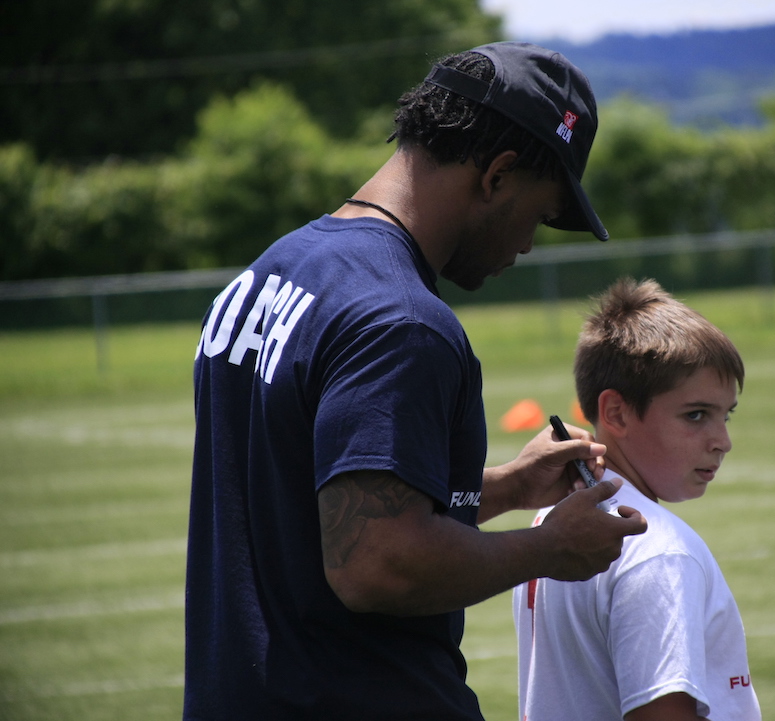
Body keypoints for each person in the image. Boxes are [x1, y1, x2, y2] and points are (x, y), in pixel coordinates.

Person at [184, 42, 647, 720]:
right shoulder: (402, 320)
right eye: (540, 216)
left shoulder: (271, 271)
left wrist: (508, 488)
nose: (527, 244)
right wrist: (549, 548)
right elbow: (376, 563)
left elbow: (322, 505)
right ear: (498, 175)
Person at [514, 278, 760, 721]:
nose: (722, 441)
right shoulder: (658, 552)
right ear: (616, 413)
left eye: (726, 416)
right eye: (696, 415)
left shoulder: (557, 518)